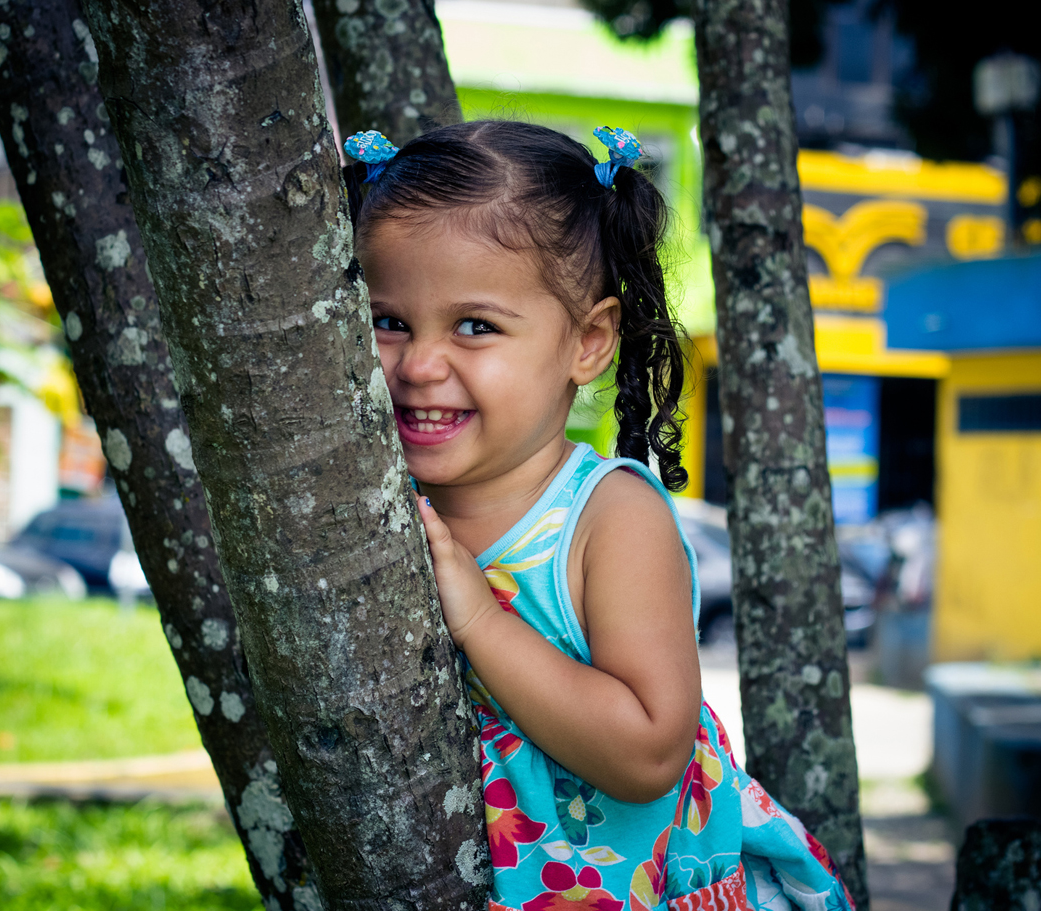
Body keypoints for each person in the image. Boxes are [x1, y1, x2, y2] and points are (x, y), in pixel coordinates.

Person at [344, 121, 854, 911]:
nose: (418, 364)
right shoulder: (370, 506)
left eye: (475, 326)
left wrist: (478, 616)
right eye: (389, 320)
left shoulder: (607, 519)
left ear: (588, 341)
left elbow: (650, 751)